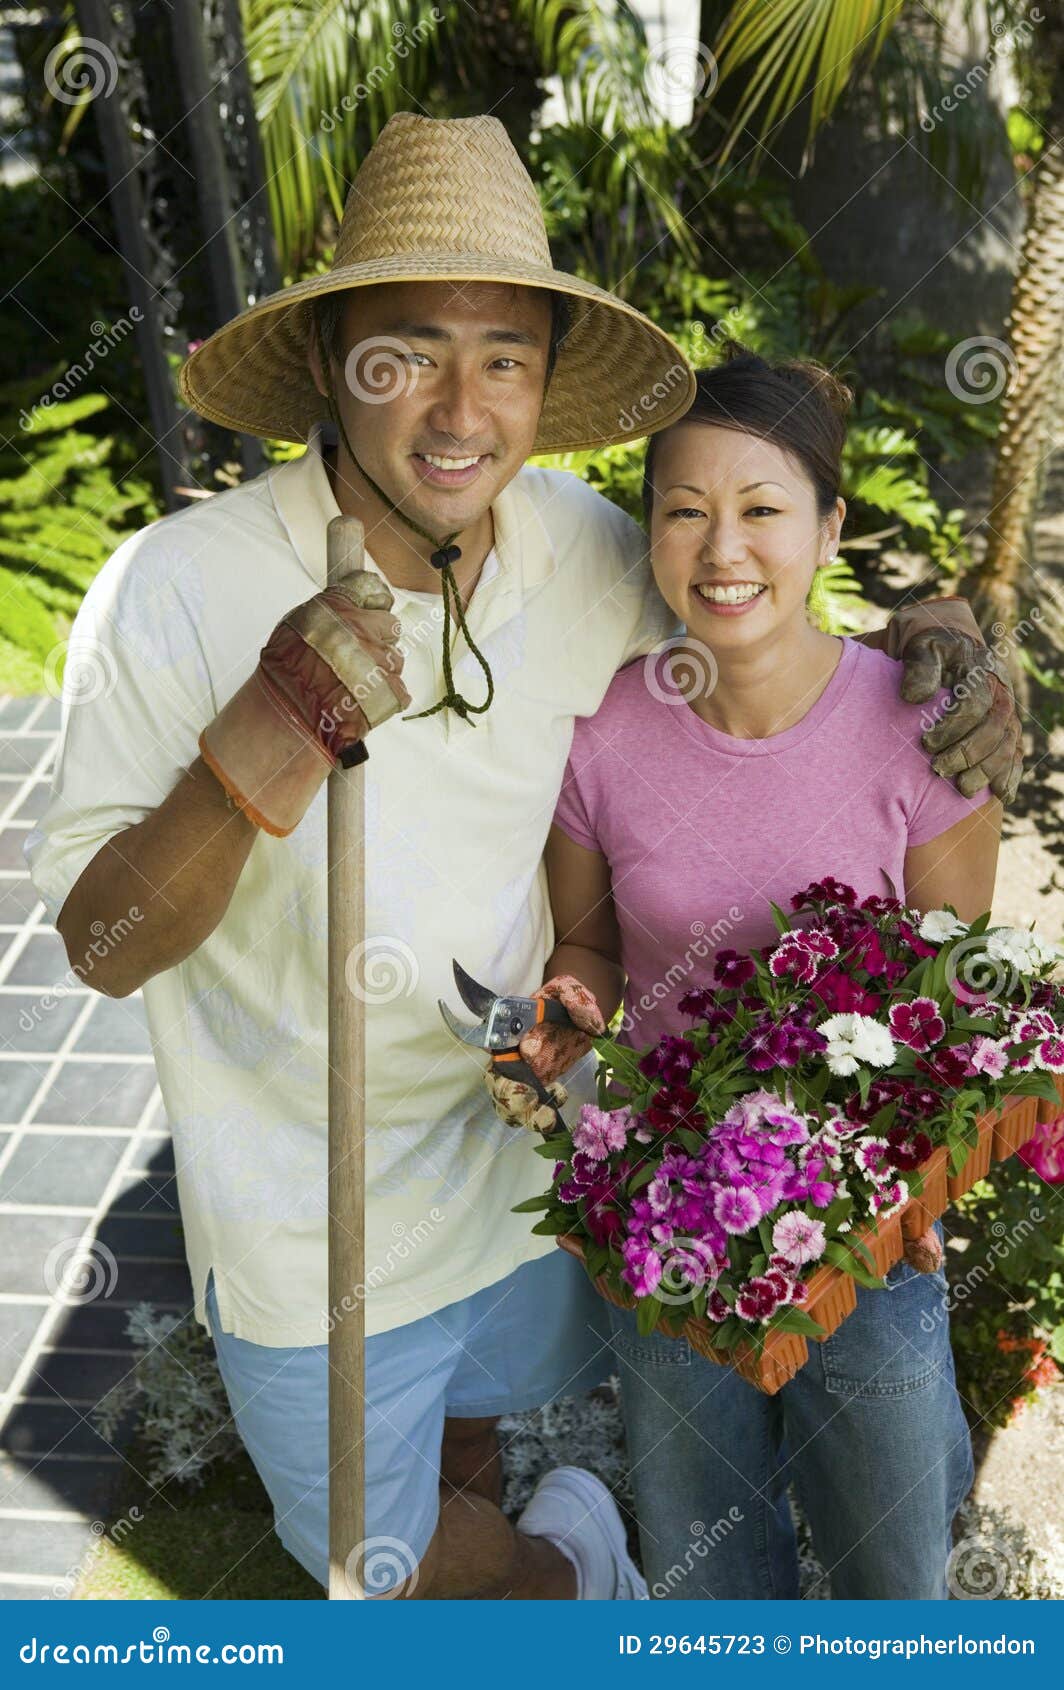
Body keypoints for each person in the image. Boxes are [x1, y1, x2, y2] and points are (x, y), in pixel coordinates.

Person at [25, 115, 1016, 1603]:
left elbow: (756, 600)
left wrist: (942, 635)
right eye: (405, 349)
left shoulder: (588, 548)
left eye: (505, 356)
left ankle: (549, 1534)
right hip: (315, 1229)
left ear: (548, 388)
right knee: (383, 1559)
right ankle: (576, 1572)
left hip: (527, 1177)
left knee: (483, 1452)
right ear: (326, 363)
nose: (457, 406)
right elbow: (100, 952)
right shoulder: (173, 592)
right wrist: (256, 752)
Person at [496, 347, 999, 1599]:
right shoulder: (600, 731)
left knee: (895, 1567)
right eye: (685, 510)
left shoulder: (922, 731)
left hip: (865, 1232)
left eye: (763, 509)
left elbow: (954, 1011)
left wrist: (916, 1188)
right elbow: (592, 950)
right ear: (649, 534)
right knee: (707, 1557)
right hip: (668, 1220)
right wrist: (560, 1019)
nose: (723, 549)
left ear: (828, 526)